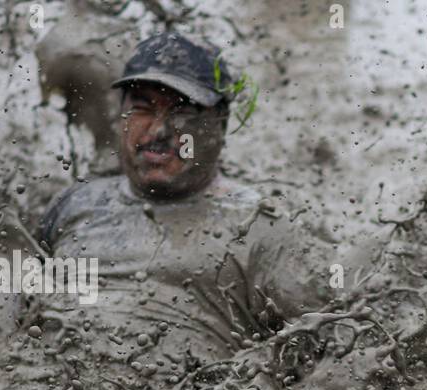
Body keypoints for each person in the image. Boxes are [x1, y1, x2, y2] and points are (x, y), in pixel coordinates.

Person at [35, 33, 330, 371]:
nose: (159, 130)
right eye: (142, 108)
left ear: (219, 125)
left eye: (182, 112)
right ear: (120, 117)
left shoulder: (259, 227)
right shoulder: (74, 204)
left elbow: (337, 355)